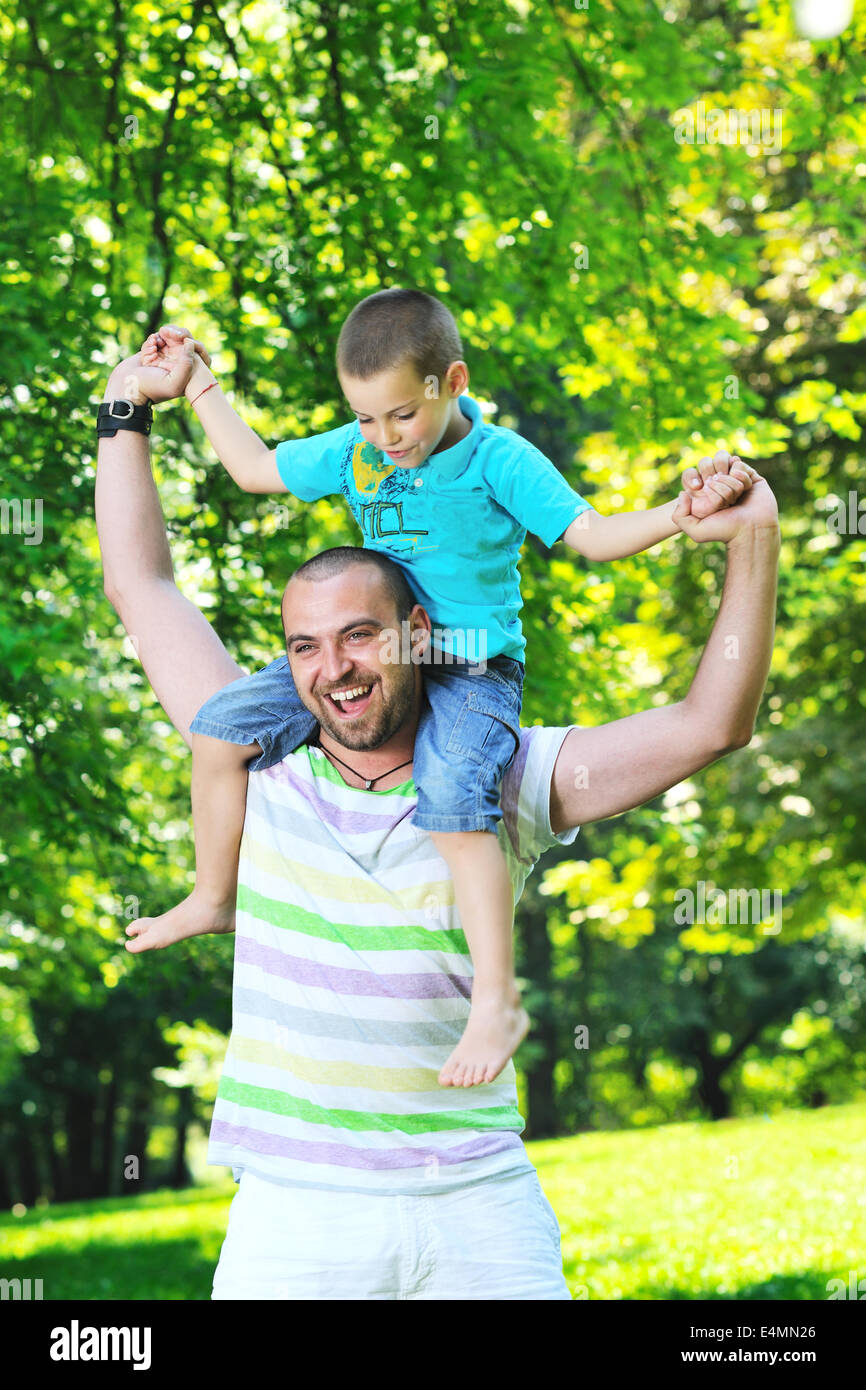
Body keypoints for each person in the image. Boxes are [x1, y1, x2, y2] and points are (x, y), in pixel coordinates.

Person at [94, 336, 780, 1300]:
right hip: (299, 1217)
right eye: (306, 647)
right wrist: (129, 403)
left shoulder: (504, 771)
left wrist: (754, 538)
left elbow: (714, 724)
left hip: (480, 1210)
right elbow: (141, 584)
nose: (334, 668)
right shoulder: (261, 765)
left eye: (361, 636)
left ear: (418, 634)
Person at [129, 289, 755, 1090]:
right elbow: (253, 469)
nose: (385, 440)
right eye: (365, 419)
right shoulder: (359, 453)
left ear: (451, 382)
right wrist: (198, 383)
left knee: (456, 787)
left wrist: (678, 512)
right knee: (219, 732)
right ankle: (216, 896)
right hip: (382, 651)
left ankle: (494, 999)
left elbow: (593, 538)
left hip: (467, 666)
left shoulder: (502, 461)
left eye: (401, 417)